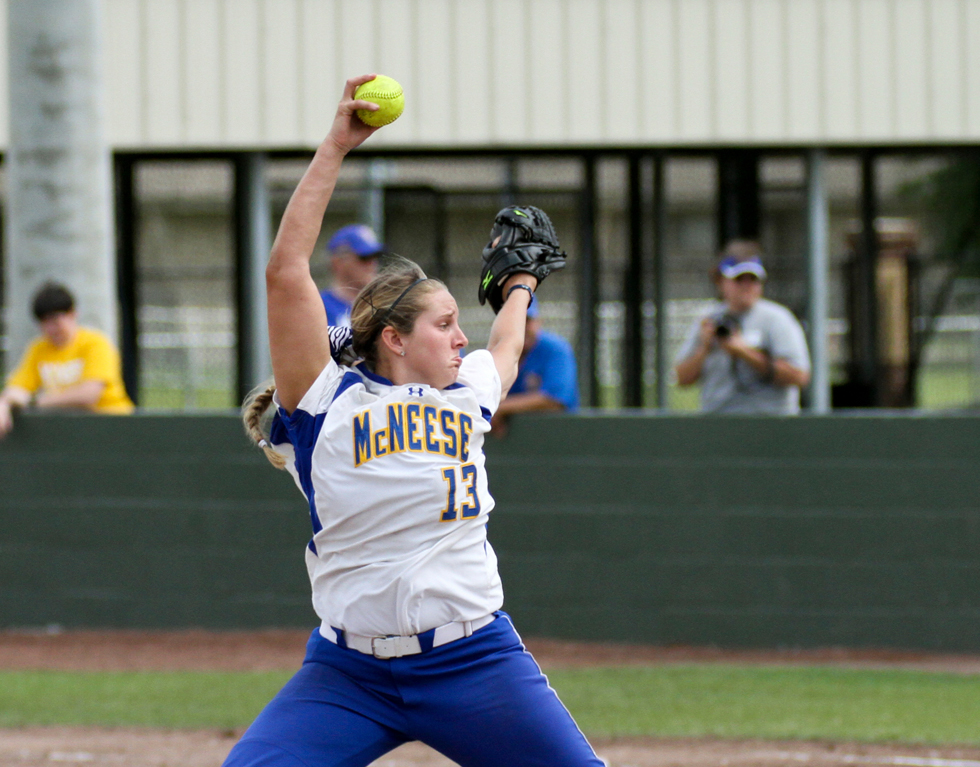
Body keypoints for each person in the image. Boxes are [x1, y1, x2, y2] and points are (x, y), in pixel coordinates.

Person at [227, 74, 603, 767]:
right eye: (446, 322)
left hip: (474, 659)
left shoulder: (466, 392)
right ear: (397, 338)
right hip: (349, 675)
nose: (462, 338)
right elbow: (287, 273)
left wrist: (520, 284)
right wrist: (336, 146)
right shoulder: (326, 401)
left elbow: (507, 346)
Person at [674, 241, 811, 414]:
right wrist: (705, 348)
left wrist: (744, 352)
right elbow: (681, 378)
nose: (747, 286)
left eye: (753, 279)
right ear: (720, 281)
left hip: (769, 424)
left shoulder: (777, 319)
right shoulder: (708, 319)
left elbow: (799, 376)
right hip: (719, 422)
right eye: (739, 279)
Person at [0, 282, 134, 437]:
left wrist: (36, 402)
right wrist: (4, 403)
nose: (51, 329)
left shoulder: (95, 344)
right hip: (70, 431)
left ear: (72, 314)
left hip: (112, 426)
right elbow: (18, 388)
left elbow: (89, 395)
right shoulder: (38, 349)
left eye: (56, 321)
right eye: (44, 323)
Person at [491, 296, 578, 436]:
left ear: (538, 322)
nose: (521, 328)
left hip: (560, 438)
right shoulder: (497, 352)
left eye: (526, 321)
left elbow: (554, 401)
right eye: (514, 322)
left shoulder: (555, 349)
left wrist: (499, 408)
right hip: (514, 444)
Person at [320, 223, 384, 326]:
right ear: (337, 262)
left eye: (375, 257)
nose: (372, 265)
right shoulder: (320, 307)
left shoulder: (385, 305)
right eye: (364, 258)